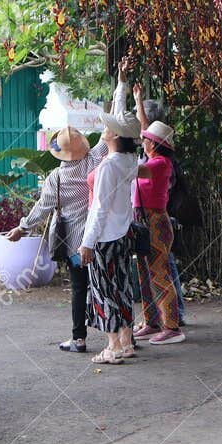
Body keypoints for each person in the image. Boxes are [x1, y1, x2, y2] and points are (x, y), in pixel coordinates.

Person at [4, 126, 100, 353]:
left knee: (79, 288)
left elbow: (42, 209)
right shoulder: (93, 162)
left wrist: (22, 228)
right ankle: (123, 338)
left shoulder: (56, 178)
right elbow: (108, 135)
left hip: (74, 244)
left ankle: (79, 339)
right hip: (98, 239)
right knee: (103, 285)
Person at [79, 109, 142, 365]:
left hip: (105, 237)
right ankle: (126, 341)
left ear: (115, 134)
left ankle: (112, 346)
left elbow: (100, 208)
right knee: (123, 286)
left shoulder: (108, 167)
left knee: (104, 291)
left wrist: (87, 242)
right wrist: (122, 84)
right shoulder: (129, 161)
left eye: (109, 126)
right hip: (124, 233)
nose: (104, 129)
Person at [133, 111, 186, 344]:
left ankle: (172, 327)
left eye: (145, 139)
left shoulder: (160, 163)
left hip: (156, 221)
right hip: (145, 221)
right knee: (145, 273)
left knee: (159, 273)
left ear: (153, 143)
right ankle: (152, 321)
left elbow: (133, 171)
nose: (142, 142)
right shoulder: (153, 159)